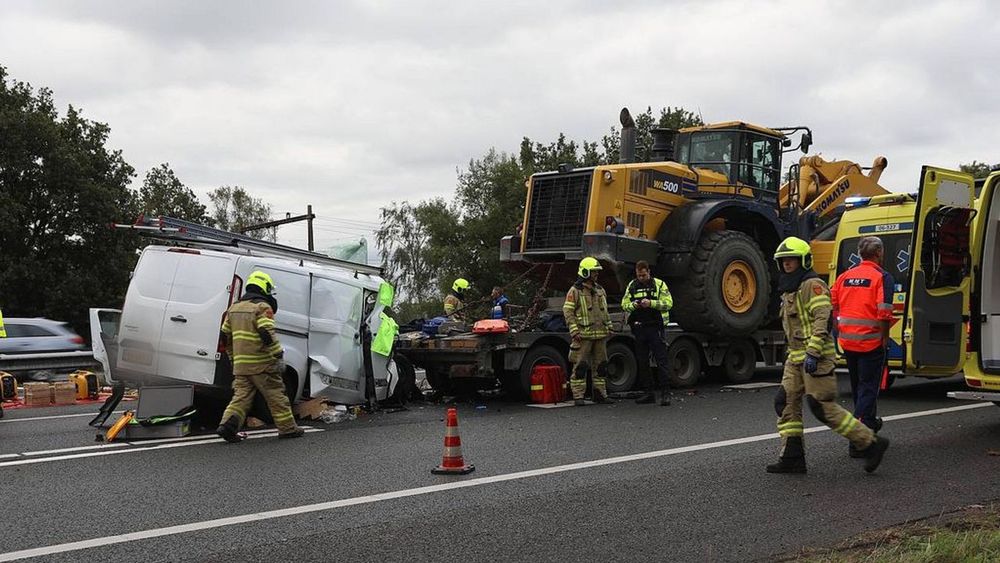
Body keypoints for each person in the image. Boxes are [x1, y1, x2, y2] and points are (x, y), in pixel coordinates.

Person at [767, 237, 888, 474]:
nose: (787, 265)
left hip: (817, 357)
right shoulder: (789, 287)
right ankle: (792, 455)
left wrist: (812, 352)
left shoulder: (812, 285)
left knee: (821, 407)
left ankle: (870, 443)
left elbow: (823, 319)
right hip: (796, 358)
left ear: (803, 261)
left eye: (791, 260)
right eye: (783, 261)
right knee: (784, 402)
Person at [217, 270, 304, 443]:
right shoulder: (262, 307)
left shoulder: (233, 309)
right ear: (264, 287)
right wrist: (278, 355)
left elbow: (224, 337)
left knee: (241, 397)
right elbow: (267, 333)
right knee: (277, 395)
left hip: (241, 366)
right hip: (262, 363)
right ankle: (288, 429)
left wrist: (234, 358)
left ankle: (227, 426)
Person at [832, 236, 894, 457]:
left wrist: (839, 331)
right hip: (871, 343)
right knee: (868, 389)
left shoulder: (844, 277)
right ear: (879, 253)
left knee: (860, 388)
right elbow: (884, 312)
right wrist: (885, 339)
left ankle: (869, 425)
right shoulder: (882, 277)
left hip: (848, 342)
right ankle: (858, 438)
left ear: (860, 254)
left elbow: (834, 306)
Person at [563, 257, 614, 406]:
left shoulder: (600, 290)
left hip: (600, 335)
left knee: (601, 366)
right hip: (583, 336)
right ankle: (578, 396)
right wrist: (574, 330)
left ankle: (600, 394)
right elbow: (568, 311)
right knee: (580, 366)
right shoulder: (575, 291)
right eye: (594, 272)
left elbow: (605, 311)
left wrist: (609, 326)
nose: (596, 274)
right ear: (585, 272)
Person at [621, 260, 673, 406]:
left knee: (661, 361)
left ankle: (665, 393)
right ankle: (649, 393)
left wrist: (651, 303)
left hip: (656, 327)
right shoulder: (632, 285)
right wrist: (634, 305)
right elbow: (624, 304)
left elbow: (668, 303)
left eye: (644, 275)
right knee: (642, 361)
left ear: (649, 272)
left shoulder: (659, 285)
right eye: (639, 275)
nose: (641, 278)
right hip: (639, 328)